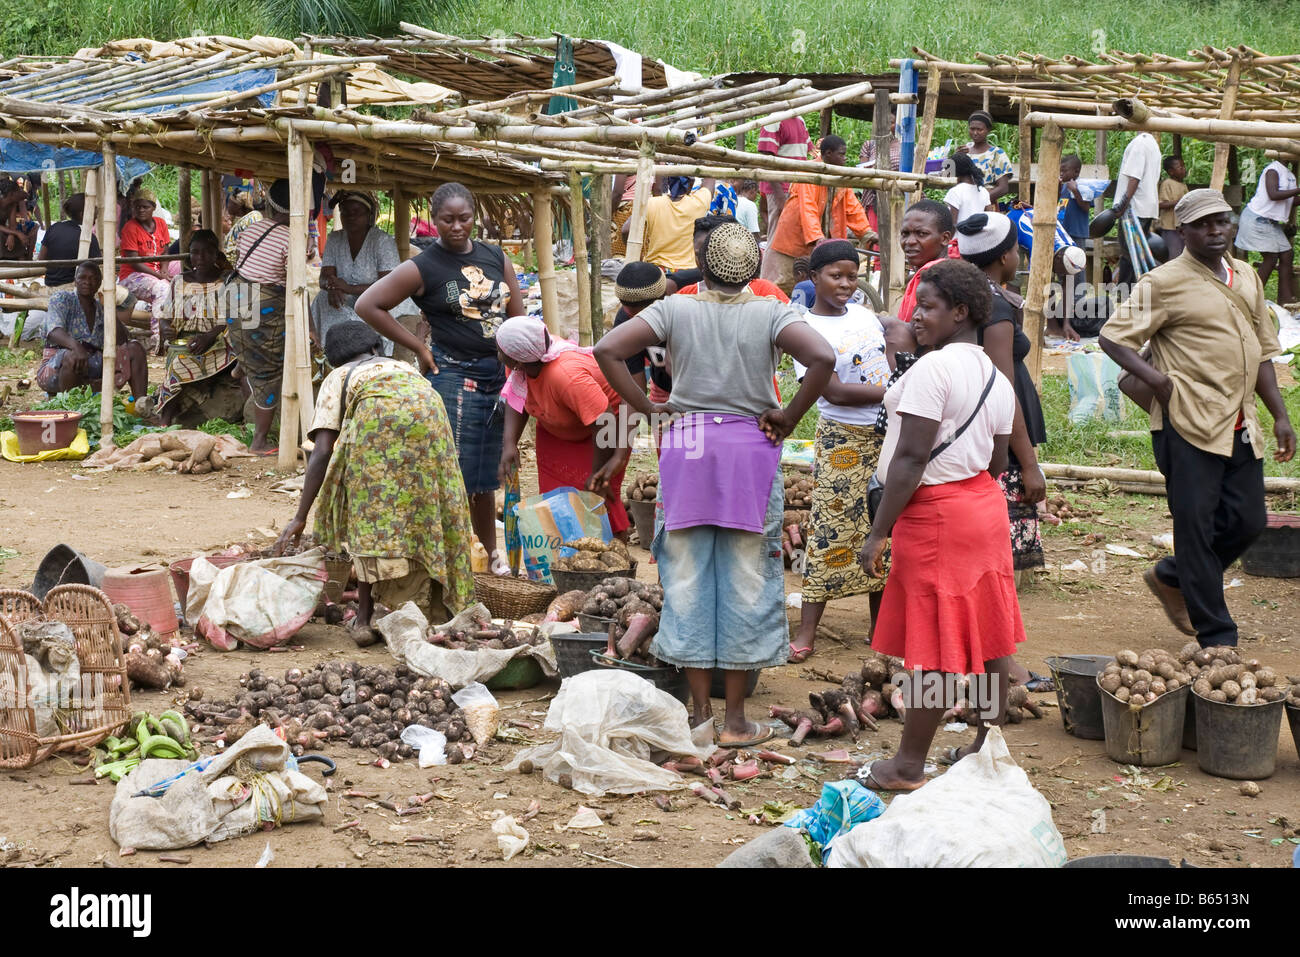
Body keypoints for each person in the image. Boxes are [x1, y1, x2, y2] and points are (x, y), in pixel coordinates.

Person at [594, 222, 835, 745]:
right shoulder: (772, 311)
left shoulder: (674, 308)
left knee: (687, 581)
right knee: (748, 582)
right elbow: (823, 359)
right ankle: (735, 722)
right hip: (750, 453)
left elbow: (608, 351)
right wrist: (790, 415)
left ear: (702, 267)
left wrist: (651, 410)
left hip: (688, 448)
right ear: (754, 271)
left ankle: (699, 716)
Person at [1101, 189, 1295, 646]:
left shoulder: (1246, 275)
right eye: (1204, 224)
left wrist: (1280, 415)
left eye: (1223, 221)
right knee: (1196, 529)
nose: (1215, 230)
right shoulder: (1163, 282)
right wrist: (1158, 380)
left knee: (1248, 521)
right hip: (1187, 422)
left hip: (1240, 422)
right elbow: (1114, 337)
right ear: (1183, 231)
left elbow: (1264, 351)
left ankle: (1172, 576)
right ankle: (1217, 635)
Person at [857, 258, 1022, 789]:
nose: (917, 316)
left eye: (928, 307)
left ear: (961, 312)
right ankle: (985, 745)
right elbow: (998, 460)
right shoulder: (995, 376)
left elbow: (909, 458)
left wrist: (879, 530)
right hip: (983, 509)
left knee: (931, 646)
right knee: (991, 636)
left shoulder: (932, 369)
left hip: (938, 518)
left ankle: (908, 765)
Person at [355, 181, 525, 562]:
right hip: (452, 376)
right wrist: (417, 346)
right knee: (456, 473)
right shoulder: (424, 265)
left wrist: (522, 362)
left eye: (464, 218)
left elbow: (518, 318)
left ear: (474, 216)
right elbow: (369, 305)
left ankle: (487, 556)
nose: (457, 227)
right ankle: (452, 557)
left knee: (487, 474)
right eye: (447, 220)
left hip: (497, 379)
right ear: (434, 220)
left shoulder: (495, 257)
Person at [274, 321, 474, 644]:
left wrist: (300, 516)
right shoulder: (404, 368)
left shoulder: (337, 377)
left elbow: (322, 450)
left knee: (367, 513)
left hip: (377, 416)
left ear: (332, 360)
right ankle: (440, 610)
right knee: (429, 508)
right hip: (431, 412)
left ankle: (364, 620)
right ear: (375, 349)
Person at [788, 241, 903, 663]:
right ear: (813, 277)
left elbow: (889, 359)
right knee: (829, 529)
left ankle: (881, 629)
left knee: (883, 528)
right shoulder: (804, 328)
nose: (846, 284)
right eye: (836, 276)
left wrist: (894, 388)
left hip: (885, 436)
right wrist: (895, 392)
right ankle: (806, 631)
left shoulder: (864, 315)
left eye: (852, 277)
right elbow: (831, 389)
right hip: (842, 438)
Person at [958, 213, 1055, 691]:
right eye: (1018, 251)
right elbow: (1003, 386)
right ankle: (1000, 666)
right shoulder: (994, 306)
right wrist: (1028, 462)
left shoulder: (969, 295)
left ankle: (983, 659)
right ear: (1005, 256)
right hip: (1002, 445)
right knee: (998, 563)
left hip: (981, 439)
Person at [497, 317, 631, 537]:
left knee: (597, 497)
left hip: (603, 434)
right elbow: (517, 395)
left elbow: (604, 422)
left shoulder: (566, 376)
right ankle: (565, 559)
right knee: (556, 502)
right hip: (556, 426)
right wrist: (510, 443)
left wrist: (598, 472)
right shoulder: (523, 360)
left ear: (517, 360)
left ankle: (615, 556)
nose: (498, 355)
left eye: (500, 351)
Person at [312, 190, 421, 360]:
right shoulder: (335, 238)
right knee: (322, 298)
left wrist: (348, 287)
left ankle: (367, 350)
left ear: (369, 216)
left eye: (356, 212)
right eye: (345, 212)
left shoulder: (381, 241)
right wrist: (331, 287)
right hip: (346, 298)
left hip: (382, 299)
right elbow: (325, 276)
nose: (350, 217)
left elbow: (390, 285)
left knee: (369, 308)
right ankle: (328, 351)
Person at [227, 178, 292, 455]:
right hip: (263, 307)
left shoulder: (250, 229)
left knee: (247, 344)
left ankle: (242, 362)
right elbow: (293, 286)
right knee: (269, 371)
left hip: (235, 298)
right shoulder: (291, 238)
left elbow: (248, 266)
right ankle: (259, 442)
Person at [150, 230, 241, 426]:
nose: (200, 258)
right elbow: (166, 315)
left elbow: (233, 317)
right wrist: (166, 328)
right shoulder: (179, 281)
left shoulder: (227, 281)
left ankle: (165, 420)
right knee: (179, 363)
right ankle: (166, 420)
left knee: (182, 367)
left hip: (218, 342)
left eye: (206, 252)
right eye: (195, 252)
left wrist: (208, 336)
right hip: (185, 343)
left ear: (216, 254)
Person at [762, 136, 871, 293]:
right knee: (786, 283)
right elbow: (808, 208)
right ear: (828, 154)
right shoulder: (809, 172)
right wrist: (817, 238)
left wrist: (866, 232)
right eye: (841, 154)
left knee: (814, 285)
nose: (845, 158)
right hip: (795, 241)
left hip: (821, 241)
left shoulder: (840, 177)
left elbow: (852, 207)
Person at [35, 261, 147, 399]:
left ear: (99, 283)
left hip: (92, 365)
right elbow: (54, 331)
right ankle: (71, 409)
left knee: (135, 348)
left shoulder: (100, 309)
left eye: (93, 278)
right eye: (82, 277)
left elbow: (122, 340)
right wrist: (76, 347)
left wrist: (109, 310)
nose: (87, 282)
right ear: (75, 281)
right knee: (73, 356)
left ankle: (142, 406)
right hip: (57, 367)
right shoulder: (62, 299)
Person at [23, 193, 101, 344]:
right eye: (95, 209)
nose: (97, 212)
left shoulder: (55, 228)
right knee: (126, 299)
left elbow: (41, 260)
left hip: (51, 286)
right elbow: (96, 273)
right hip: (73, 289)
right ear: (83, 214)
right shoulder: (89, 238)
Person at [118, 187, 172, 354]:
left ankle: (175, 334)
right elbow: (134, 261)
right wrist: (159, 276)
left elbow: (165, 251)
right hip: (132, 277)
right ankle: (159, 341)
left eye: (145, 207)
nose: (141, 210)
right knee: (162, 288)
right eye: (137, 207)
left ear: (153, 208)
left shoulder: (161, 224)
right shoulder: (130, 228)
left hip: (155, 276)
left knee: (178, 287)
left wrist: (164, 270)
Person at [1237, 158, 1299, 305]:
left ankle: (1286, 298)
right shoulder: (1273, 170)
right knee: (1271, 258)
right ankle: (1252, 298)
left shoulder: (1289, 174)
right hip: (1257, 218)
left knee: (1287, 254)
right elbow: (1274, 194)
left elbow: (1290, 201)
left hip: (1270, 222)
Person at [610, 261, 672, 400]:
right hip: (663, 390)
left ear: (664, 296)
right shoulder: (624, 324)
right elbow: (635, 388)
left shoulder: (687, 305)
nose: (640, 322)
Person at [626, 175, 714, 272]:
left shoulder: (651, 203)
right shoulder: (699, 203)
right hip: (687, 272)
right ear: (691, 183)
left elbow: (626, 230)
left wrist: (639, 254)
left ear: (668, 181)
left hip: (657, 271)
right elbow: (710, 179)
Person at [1112, 131, 1162, 285]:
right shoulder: (1152, 143)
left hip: (1134, 208)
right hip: (1146, 206)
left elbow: (1135, 176)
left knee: (1130, 254)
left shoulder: (1140, 143)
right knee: (1136, 253)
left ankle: (1128, 292)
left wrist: (1123, 203)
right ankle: (1134, 291)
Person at [897, 199, 955, 322]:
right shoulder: (948, 270)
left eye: (922, 234)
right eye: (905, 233)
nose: (910, 241)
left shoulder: (934, 278)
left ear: (945, 238)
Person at [757, 115, 812, 236]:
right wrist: (780, 197)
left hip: (797, 186)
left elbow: (805, 152)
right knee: (779, 235)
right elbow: (766, 160)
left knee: (793, 234)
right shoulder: (773, 120)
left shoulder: (800, 119)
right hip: (781, 188)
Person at [858, 111, 901, 238]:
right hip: (874, 195)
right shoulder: (869, 145)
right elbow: (863, 170)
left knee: (896, 233)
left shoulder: (903, 146)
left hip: (897, 194)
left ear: (896, 125)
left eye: (891, 123)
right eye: (884, 123)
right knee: (876, 236)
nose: (887, 126)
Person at [957, 111, 1013, 202]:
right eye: (972, 129)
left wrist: (978, 202)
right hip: (962, 202)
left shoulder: (996, 154)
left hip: (985, 205)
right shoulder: (964, 151)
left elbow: (1003, 188)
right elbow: (951, 176)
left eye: (979, 129)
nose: (975, 133)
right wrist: (957, 158)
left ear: (988, 130)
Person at [944, 153, 995, 225]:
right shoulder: (983, 191)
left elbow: (952, 224)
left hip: (961, 235)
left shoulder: (955, 192)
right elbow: (990, 219)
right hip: (979, 235)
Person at [1156, 156, 1189, 262]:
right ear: (1171, 171)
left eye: (1183, 166)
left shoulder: (1183, 185)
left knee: (1181, 254)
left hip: (1180, 226)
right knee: (1173, 255)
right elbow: (1161, 204)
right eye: (1180, 167)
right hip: (1170, 227)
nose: (1184, 169)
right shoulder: (1167, 183)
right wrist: (1179, 201)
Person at [1058, 154, 1093, 248]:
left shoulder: (1083, 186)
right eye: (1060, 170)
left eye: (1064, 171)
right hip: (1063, 231)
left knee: (1077, 259)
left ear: (1076, 171)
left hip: (1077, 233)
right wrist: (1058, 188)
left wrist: (1075, 191)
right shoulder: (1064, 187)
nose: (1061, 173)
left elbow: (1086, 208)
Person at [223, 191, 262, 262]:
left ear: (238, 205)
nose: (227, 205)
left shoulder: (253, 217)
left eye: (230, 202)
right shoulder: (239, 221)